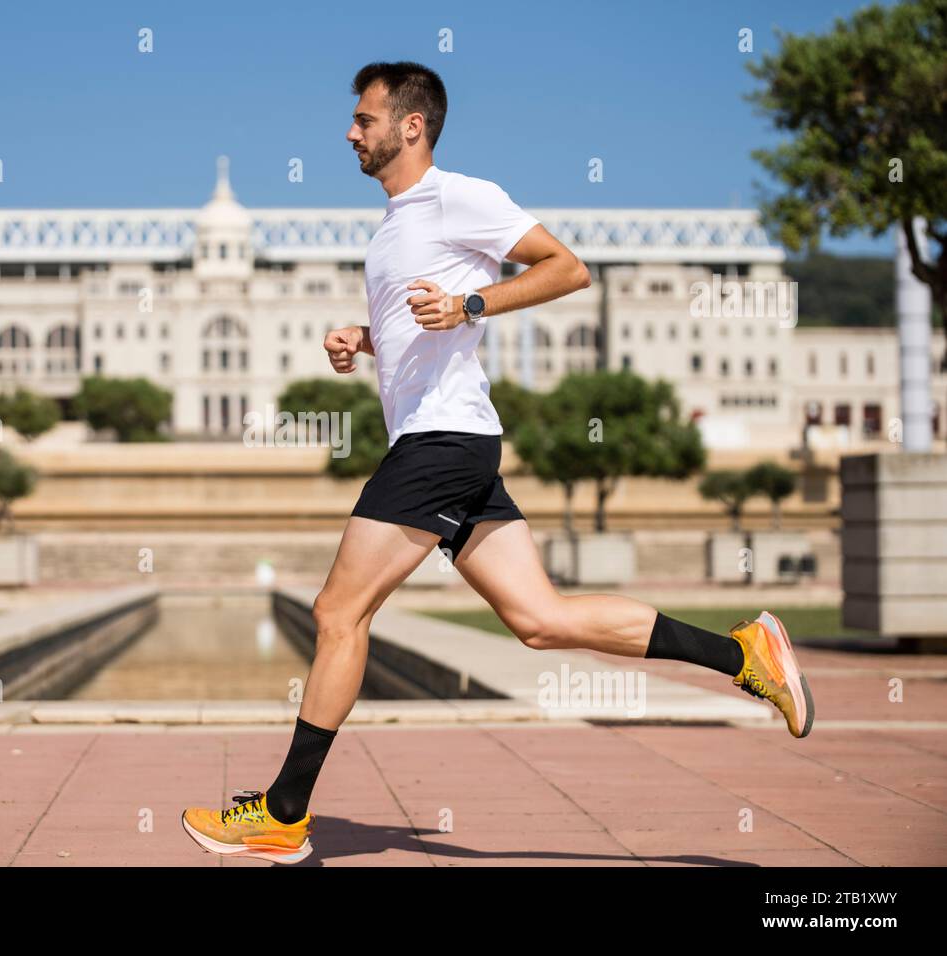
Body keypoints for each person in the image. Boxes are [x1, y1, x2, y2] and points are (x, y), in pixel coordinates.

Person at [181, 60, 814, 865]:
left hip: (441, 444)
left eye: (364, 119)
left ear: (411, 125)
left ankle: (283, 813)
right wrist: (365, 339)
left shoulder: (459, 198)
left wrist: (473, 302)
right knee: (540, 622)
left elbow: (566, 267)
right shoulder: (394, 228)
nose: (350, 132)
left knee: (338, 613)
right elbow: (427, 332)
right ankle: (745, 654)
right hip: (453, 438)